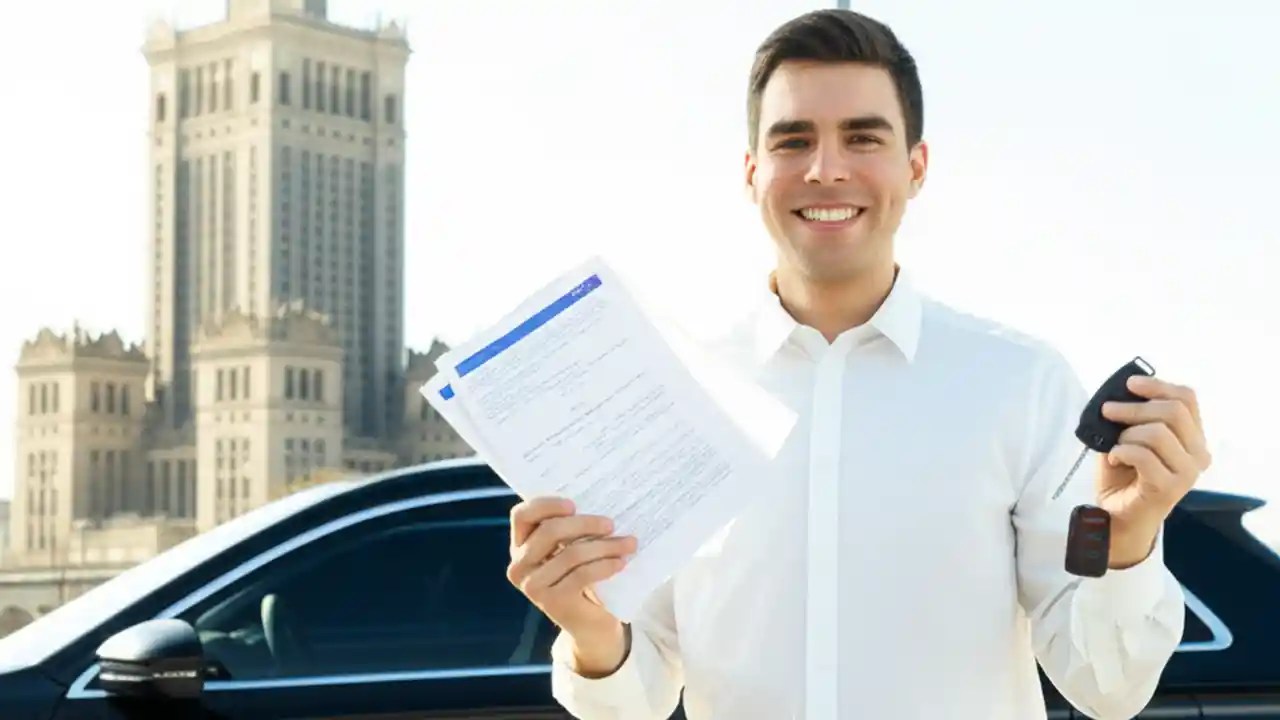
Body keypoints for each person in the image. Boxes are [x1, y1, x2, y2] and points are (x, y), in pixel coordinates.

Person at [504, 8, 1212, 719]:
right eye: (793, 141)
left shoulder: (1020, 386)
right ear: (751, 173)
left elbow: (1108, 688)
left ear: (917, 167)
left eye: (862, 138)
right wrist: (590, 632)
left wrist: (1128, 540)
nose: (826, 169)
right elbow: (638, 698)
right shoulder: (679, 395)